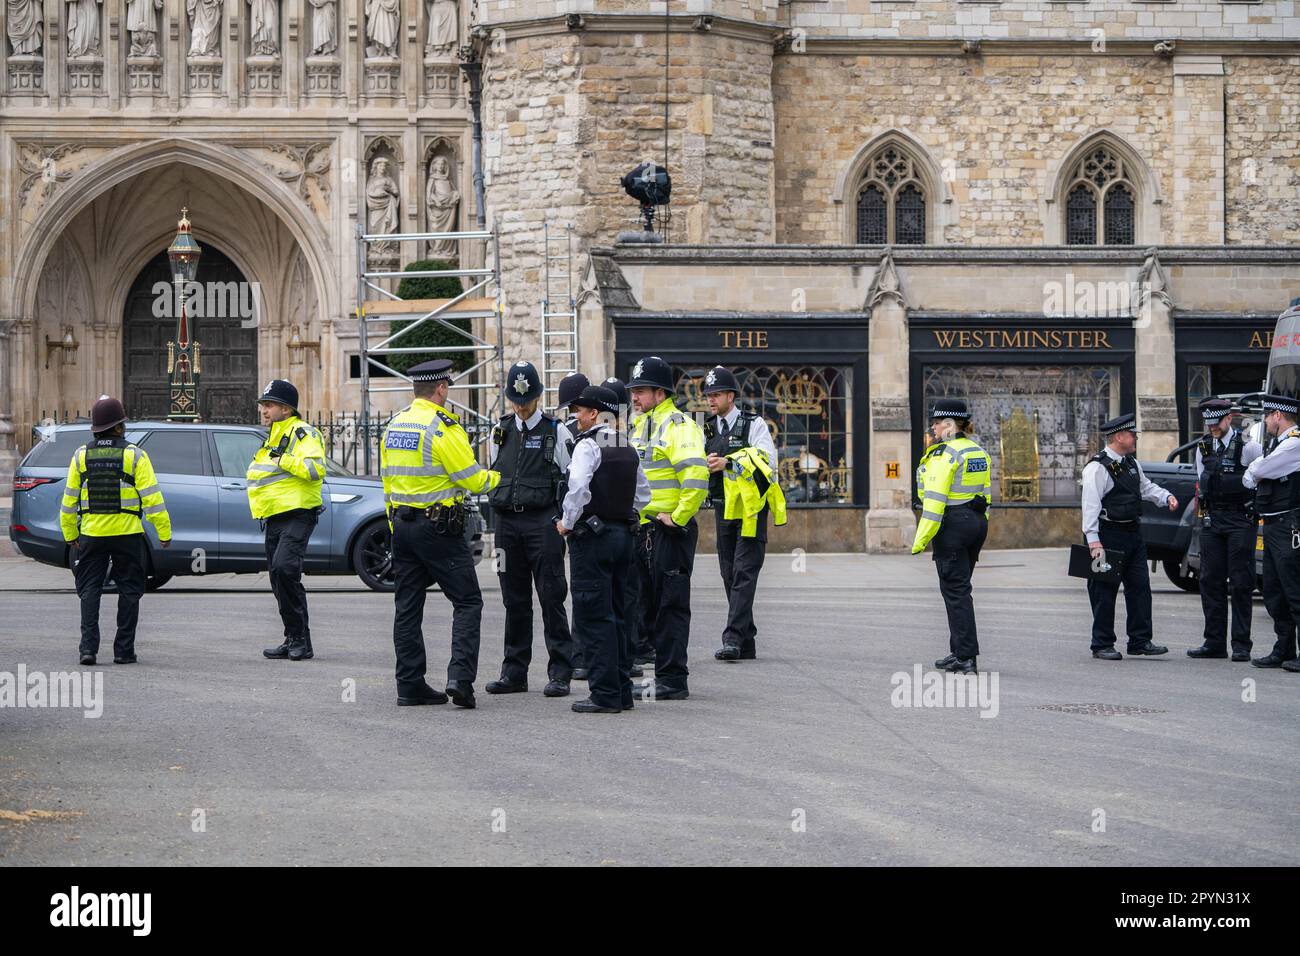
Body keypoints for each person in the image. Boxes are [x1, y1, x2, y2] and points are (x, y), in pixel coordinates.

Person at [382, 359, 501, 707]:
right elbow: (473, 479)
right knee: (467, 600)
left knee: (407, 607)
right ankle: (460, 680)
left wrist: (394, 524)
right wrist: (500, 477)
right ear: (441, 389)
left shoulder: (395, 425)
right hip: (437, 529)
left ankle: (409, 685)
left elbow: (387, 480)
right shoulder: (443, 427)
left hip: (401, 527)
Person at [556, 385, 651, 713]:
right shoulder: (626, 444)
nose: (576, 417)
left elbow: (578, 487)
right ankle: (622, 690)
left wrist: (567, 521)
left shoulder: (587, 446)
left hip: (592, 539)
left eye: (580, 411)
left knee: (595, 615)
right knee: (621, 614)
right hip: (624, 535)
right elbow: (643, 495)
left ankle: (604, 694)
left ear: (594, 413)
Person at [484, 361, 576, 698]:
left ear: (537, 397)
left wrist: (564, 522)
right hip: (507, 524)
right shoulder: (499, 430)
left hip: (543, 522)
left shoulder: (557, 431)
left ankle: (561, 671)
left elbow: (570, 478)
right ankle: (514, 671)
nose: (521, 407)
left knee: (552, 596)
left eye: (527, 400)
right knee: (514, 598)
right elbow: (494, 470)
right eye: (516, 401)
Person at [60, 396, 171, 666]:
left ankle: (88, 649)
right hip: (128, 535)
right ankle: (124, 651)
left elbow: (69, 500)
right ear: (119, 427)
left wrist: (70, 534)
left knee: (89, 591)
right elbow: (153, 499)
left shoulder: (81, 455)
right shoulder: (135, 455)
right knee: (130, 590)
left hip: (92, 535)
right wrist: (164, 533)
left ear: (95, 429)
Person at [627, 356, 710, 700]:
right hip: (643, 530)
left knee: (671, 607)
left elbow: (696, 475)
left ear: (660, 393)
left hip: (667, 532)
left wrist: (676, 517)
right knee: (643, 606)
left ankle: (673, 679)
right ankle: (656, 676)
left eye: (641, 391)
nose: (634, 397)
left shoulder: (679, 426)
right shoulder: (637, 426)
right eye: (633, 390)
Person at [1080, 413, 1179, 660]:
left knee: (1140, 588)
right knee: (1103, 591)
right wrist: (1093, 541)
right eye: (1132, 434)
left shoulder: (1131, 463)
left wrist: (1165, 497)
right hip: (1107, 534)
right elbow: (1090, 506)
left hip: (1132, 533)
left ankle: (1140, 640)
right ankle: (1102, 644)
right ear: (1119, 437)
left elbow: (1145, 488)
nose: (1135, 438)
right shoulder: (1097, 468)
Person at [701, 365, 778, 662]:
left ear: (731, 396)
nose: (711, 399)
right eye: (708, 395)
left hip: (750, 510)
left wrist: (728, 464)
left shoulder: (753, 424)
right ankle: (747, 639)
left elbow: (767, 463)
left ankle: (732, 638)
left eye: (716, 394)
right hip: (722, 508)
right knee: (728, 572)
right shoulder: (707, 427)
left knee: (744, 572)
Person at [247, 380, 326, 662]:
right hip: (274, 516)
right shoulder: (273, 435)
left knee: (284, 570)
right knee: (278, 577)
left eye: (268, 405)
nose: (264, 411)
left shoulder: (303, 433)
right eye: (263, 405)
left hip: (298, 513)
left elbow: (315, 469)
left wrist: (284, 459)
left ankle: (301, 641)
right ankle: (293, 637)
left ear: (286, 408)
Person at [910, 399, 991, 674]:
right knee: (960, 589)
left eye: (936, 423)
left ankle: (966, 656)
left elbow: (933, 500)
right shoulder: (977, 450)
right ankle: (958, 650)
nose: (932, 427)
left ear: (948, 425)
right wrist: (982, 524)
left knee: (956, 592)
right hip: (976, 522)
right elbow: (986, 493)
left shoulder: (944, 454)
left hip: (953, 525)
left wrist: (921, 539)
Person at [1189, 397, 1261, 662]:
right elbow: (1202, 480)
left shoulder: (1249, 447)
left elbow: (1261, 480)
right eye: (1209, 424)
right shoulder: (1203, 447)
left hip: (1240, 520)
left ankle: (1241, 644)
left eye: (1217, 422)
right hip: (1212, 520)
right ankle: (1214, 642)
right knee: (1209, 580)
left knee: (1241, 582)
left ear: (1229, 418)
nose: (1213, 428)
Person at [1241, 394, 1300, 672]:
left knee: (1294, 590)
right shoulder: (1280, 443)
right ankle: (1284, 648)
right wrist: (1256, 472)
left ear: (1278, 415)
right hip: (1274, 524)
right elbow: (1252, 475)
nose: (1265, 421)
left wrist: (1256, 471)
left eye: (1267, 416)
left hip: (1289, 525)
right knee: (1274, 591)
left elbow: (1258, 470)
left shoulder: (1294, 443)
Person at [602, 376, 644, 680]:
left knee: (607, 596)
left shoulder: (600, 438)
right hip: (627, 524)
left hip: (607, 526)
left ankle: (621, 657)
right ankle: (628, 655)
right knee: (626, 595)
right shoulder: (630, 437)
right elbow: (644, 490)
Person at [554, 371, 590, 678]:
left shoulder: (567, 431)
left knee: (581, 592)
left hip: (570, 515)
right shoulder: (577, 432)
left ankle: (579, 655)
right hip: (583, 516)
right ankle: (582, 654)